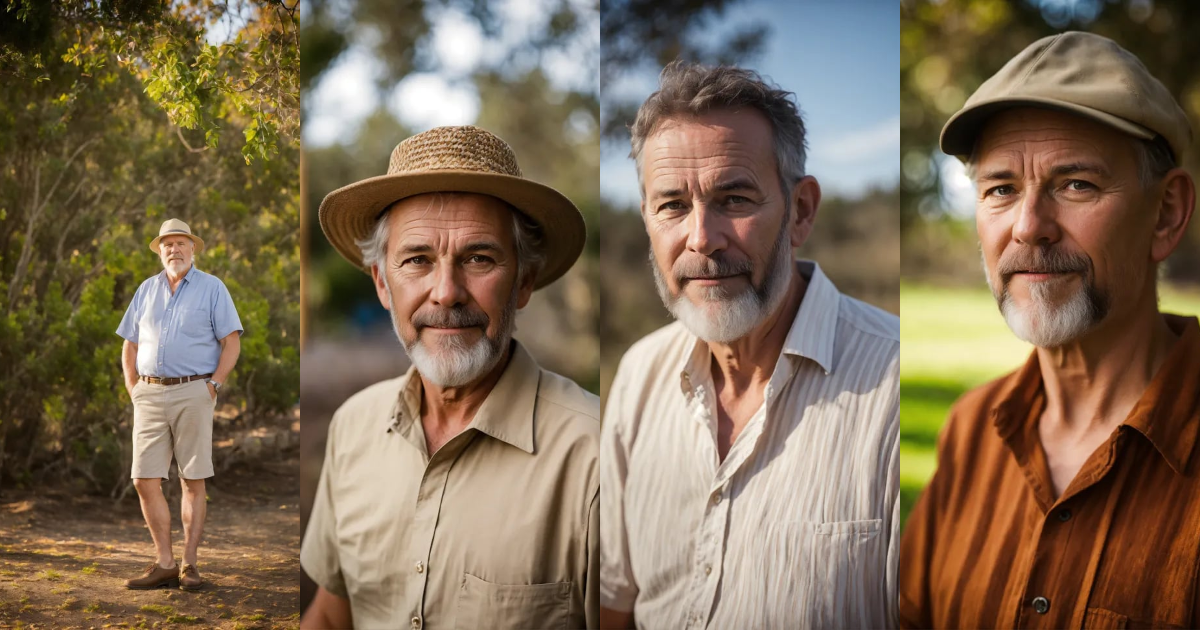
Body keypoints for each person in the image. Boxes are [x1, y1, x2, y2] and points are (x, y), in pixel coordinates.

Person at [900, 31, 1200, 629]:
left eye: (1076, 185)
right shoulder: (970, 432)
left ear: (1165, 214)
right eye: (1001, 189)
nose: (1029, 227)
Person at [599, 61, 900, 629]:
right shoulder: (638, 374)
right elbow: (614, 604)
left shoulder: (893, 387)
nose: (701, 238)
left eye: (735, 200)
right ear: (646, 219)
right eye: (672, 205)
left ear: (800, 212)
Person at [300, 125, 599, 630]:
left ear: (523, 281)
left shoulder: (595, 457)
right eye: (417, 260)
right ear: (381, 283)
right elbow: (332, 614)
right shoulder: (353, 426)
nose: (446, 292)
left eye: (479, 258)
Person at [116, 218, 243, 591]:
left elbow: (231, 342)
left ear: (193, 249)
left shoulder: (212, 288)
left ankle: (189, 564)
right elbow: (130, 343)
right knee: (143, 479)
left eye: (181, 243)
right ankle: (164, 563)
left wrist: (214, 384)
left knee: (192, 479)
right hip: (149, 394)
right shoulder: (145, 290)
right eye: (167, 244)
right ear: (159, 251)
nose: (174, 250)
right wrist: (133, 387)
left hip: (194, 392)